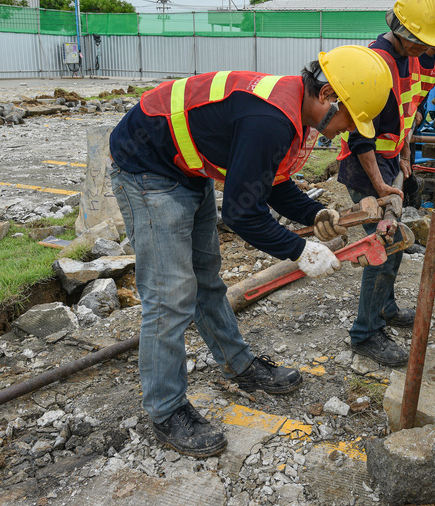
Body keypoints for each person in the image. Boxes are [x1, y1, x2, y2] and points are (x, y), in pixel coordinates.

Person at [108, 46, 393, 458]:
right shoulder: (270, 120)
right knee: (170, 296)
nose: (347, 132)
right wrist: (301, 251)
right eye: (351, 119)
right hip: (147, 168)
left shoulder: (292, 109)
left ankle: (238, 363)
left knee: (205, 279)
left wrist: (317, 212)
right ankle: (166, 409)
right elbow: (243, 213)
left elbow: (270, 182)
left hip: (186, 168)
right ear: (329, 95)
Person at [337, 0, 435, 366]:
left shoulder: (432, 56)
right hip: (365, 161)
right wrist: (380, 185)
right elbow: (359, 132)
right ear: (401, 31)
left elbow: (413, 107)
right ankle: (365, 332)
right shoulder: (376, 62)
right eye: (422, 43)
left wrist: (405, 151)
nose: (428, 51)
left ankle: (385, 309)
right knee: (383, 244)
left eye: (434, 45)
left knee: (396, 241)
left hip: (392, 157)